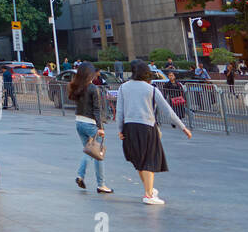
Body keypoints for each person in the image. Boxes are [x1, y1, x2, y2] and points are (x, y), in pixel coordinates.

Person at [116, 59, 191, 204]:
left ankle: (148, 190)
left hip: (129, 127)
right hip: (147, 127)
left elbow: (120, 112)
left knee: (138, 160)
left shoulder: (123, 88)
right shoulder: (151, 89)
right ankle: (149, 195)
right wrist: (183, 127)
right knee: (148, 161)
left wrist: (120, 129)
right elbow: (168, 111)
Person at [69, 62, 111, 194]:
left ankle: (80, 175)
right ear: (90, 74)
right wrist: (101, 127)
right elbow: (97, 110)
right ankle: (101, 184)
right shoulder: (93, 88)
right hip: (90, 124)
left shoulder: (77, 87)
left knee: (88, 151)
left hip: (79, 122)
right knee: (97, 154)